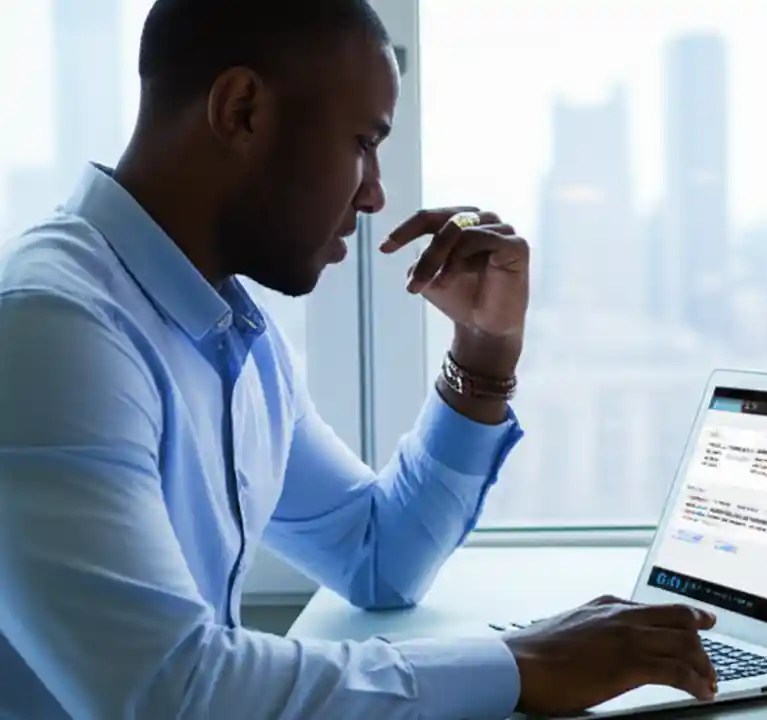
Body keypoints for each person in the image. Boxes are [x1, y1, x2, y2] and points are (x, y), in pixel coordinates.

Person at [0, 1, 718, 717]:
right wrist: (522, 664)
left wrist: (486, 349)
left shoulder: (229, 335)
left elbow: (376, 557)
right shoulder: (54, 329)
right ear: (242, 110)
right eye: (362, 142)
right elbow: (169, 694)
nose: (374, 193)